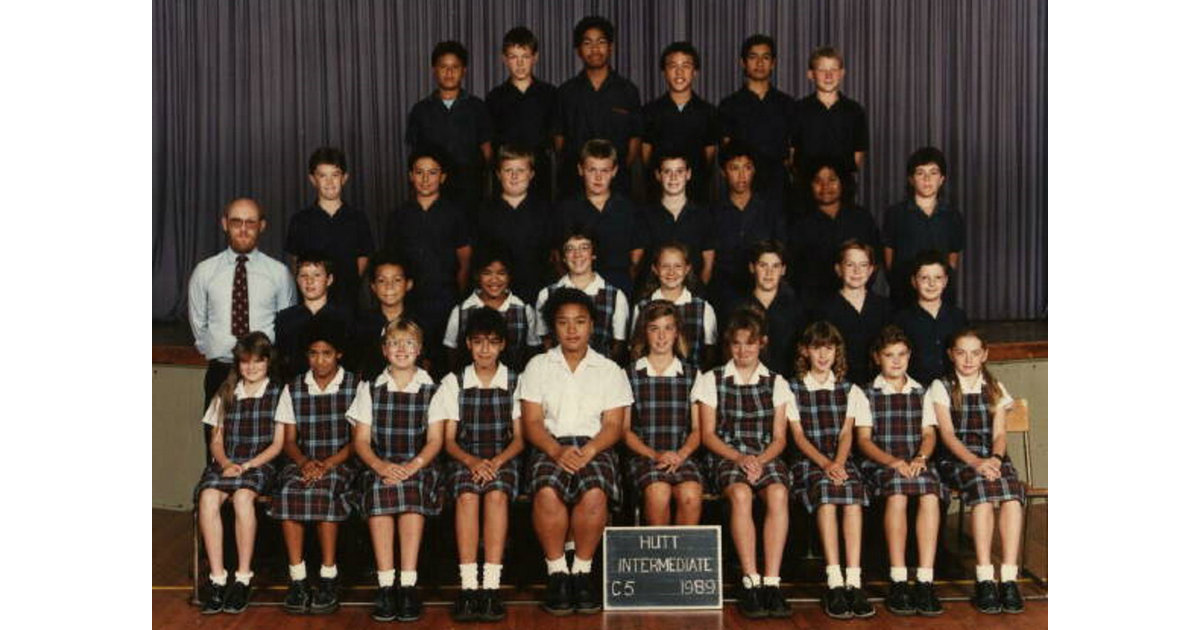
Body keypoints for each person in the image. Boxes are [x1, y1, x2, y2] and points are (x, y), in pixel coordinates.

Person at [520, 288, 633, 615]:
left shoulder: (609, 369)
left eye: (580, 322)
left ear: (592, 325)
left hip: (594, 445)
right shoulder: (538, 365)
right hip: (550, 445)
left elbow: (614, 424)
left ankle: (582, 572)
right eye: (563, 322)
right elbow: (532, 421)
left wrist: (590, 449)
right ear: (553, 327)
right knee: (546, 493)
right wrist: (556, 450)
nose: (572, 330)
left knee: (595, 493)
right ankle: (557, 572)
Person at [694, 307, 793, 619]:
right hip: (727, 454)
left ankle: (772, 582)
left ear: (761, 343)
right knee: (740, 494)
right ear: (728, 344)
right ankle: (750, 580)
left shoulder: (777, 382)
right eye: (737, 343)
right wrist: (740, 458)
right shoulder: (712, 380)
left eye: (750, 343)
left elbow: (780, 438)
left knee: (777, 493)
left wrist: (759, 460)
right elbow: (707, 435)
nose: (743, 350)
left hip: (765, 455)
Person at [348, 319, 444, 622]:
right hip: (381, 463)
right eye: (394, 343)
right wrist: (380, 466)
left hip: (419, 465)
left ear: (419, 349)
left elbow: (435, 440)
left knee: (411, 497)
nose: (402, 349)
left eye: (409, 343)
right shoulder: (370, 389)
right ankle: (386, 585)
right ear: (384, 350)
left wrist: (412, 466)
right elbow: (361, 441)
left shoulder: (433, 389)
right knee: (379, 493)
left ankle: (408, 584)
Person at [433, 308, 525, 622]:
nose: (485, 349)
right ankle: (470, 586)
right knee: (468, 496)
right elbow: (448, 441)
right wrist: (473, 462)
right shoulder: (453, 381)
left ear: (502, 345)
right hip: (465, 458)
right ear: (468, 345)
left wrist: (496, 462)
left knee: (497, 495)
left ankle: (492, 587)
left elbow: (521, 438)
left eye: (492, 342)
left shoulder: (516, 380)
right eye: (478, 342)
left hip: (503, 459)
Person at [930, 329, 1026, 615]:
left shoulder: (995, 386)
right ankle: (984, 578)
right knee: (983, 495)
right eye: (961, 352)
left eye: (975, 353)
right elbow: (947, 435)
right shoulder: (942, 386)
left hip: (991, 459)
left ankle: (1008, 579)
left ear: (985, 354)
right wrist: (976, 462)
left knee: (1011, 494)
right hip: (959, 460)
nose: (968, 359)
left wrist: (995, 458)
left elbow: (999, 433)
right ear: (951, 355)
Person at [194, 332, 289, 615]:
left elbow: (278, 444)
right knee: (208, 498)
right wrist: (225, 464)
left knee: (243, 498)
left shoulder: (278, 393)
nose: (251, 368)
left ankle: (243, 578)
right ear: (238, 364)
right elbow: (216, 440)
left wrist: (248, 466)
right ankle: (218, 577)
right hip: (227, 462)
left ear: (267, 363)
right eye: (245, 362)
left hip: (259, 464)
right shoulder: (226, 392)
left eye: (257, 362)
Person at [854, 326, 946, 617]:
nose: (896, 361)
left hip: (914, 461)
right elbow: (864, 441)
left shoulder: (921, 391)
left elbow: (929, 434)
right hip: (882, 464)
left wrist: (921, 457)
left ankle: (924, 579)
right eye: (889, 355)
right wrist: (893, 462)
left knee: (930, 495)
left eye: (902, 354)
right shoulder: (866, 393)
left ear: (910, 356)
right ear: (877, 358)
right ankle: (898, 578)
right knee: (898, 496)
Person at [268, 322, 359, 615]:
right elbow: (290, 441)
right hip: (304, 462)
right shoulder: (293, 388)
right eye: (313, 353)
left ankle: (328, 574)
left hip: (342, 462)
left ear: (339, 354)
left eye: (327, 353)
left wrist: (328, 465)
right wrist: (305, 463)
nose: (320, 360)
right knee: (290, 492)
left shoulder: (356, 387)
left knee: (325, 491)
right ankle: (298, 578)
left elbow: (358, 441)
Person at [788, 321, 874, 620]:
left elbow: (847, 434)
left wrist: (838, 462)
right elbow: (798, 436)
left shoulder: (850, 390)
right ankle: (834, 580)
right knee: (826, 495)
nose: (823, 355)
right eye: (816, 348)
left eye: (828, 348)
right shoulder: (792, 388)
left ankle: (854, 580)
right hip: (809, 462)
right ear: (804, 351)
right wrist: (825, 465)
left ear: (837, 351)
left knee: (851, 497)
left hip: (841, 460)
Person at [188, 197, 296, 408]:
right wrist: (217, 349)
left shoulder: (279, 273)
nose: (243, 229)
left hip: (265, 372)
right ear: (225, 224)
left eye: (251, 223)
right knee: (216, 438)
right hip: (221, 370)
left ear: (262, 226)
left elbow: (287, 325)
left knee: (267, 438)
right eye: (237, 222)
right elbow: (198, 322)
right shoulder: (205, 271)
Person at [384, 149, 473, 376]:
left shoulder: (456, 214)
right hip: (410, 302)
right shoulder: (399, 216)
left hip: (446, 299)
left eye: (432, 173)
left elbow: (465, 262)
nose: (425, 179)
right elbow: (391, 264)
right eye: (419, 173)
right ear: (410, 176)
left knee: (446, 361)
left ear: (442, 177)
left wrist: (457, 296)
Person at [623, 300, 704, 525]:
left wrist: (682, 454)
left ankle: (683, 559)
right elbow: (625, 431)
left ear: (677, 333)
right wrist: (655, 455)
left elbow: (698, 430)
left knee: (690, 495)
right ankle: (659, 558)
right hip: (645, 457)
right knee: (658, 493)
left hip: (681, 456)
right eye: (654, 329)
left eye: (668, 328)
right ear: (644, 333)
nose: (661, 336)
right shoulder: (629, 374)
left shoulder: (692, 374)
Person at [553, 15, 643, 198]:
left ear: (611, 47)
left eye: (601, 42)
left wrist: (616, 172)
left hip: (618, 187)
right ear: (578, 50)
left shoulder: (628, 91)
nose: (595, 49)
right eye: (587, 43)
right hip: (573, 186)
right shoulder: (565, 92)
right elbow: (559, 141)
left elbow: (634, 140)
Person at [407, 41, 492, 215]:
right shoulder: (420, 110)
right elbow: (415, 156)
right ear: (434, 70)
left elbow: (487, 151)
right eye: (443, 67)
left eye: (455, 67)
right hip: (432, 191)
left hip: (470, 192)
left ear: (464, 71)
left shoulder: (477, 107)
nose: (449, 73)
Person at [284, 147, 375, 311]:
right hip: (312, 308)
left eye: (335, 175)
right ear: (312, 179)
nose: (329, 182)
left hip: (348, 305)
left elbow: (361, 264)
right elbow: (296, 264)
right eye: (322, 176)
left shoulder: (358, 219)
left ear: (344, 178)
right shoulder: (300, 220)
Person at [554, 138, 645, 297]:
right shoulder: (566, 209)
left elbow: (636, 256)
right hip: (577, 288)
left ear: (614, 171)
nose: (598, 177)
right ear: (580, 169)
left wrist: (624, 288)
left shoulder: (628, 208)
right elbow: (556, 255)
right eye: (592, 170)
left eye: (604, 171)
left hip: (619, 286)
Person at [788, 158, 881, 308]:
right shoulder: (799, 223)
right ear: (809, 185)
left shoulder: (861, 217)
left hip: (856, 299)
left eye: (832, 180)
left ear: (843, 182)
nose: (825, 186)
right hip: (813, 304)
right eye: (818, 181)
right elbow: (793, 270)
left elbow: (875, 260)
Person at [707, 143, 787, 317]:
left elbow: (780, 253)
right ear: (723, 172)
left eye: (747, 168)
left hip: (763, 290)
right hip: (723, 294)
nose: (741, 175)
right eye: (734, 168)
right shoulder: (712, 213)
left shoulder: (770, 211)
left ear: (754, 170)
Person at [718, 34, 796, 208]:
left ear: (773, 63)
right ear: (743, 62)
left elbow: (793, 150)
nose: (759, 63)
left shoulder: (787, 104)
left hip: (780, 188)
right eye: (753, 57)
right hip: (742, 187)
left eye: (765, 57)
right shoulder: (729, 105)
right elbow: (727, 150)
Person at [883, 147, 964, 309]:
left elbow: (953, 259)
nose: (927, 179)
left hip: (940, 295)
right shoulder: (895, 214)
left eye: (933, 173)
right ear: (911, 179)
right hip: (903, 294)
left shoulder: (953, 216)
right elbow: (888, 259)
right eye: (920, 173)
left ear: (942, 179)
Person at [534, 228, 630, 360]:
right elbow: (546, 340)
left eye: (584, 247)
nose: (577, 254)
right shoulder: (546, 295)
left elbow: (618, 345)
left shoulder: (616, 296)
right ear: (563, 257)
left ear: (593, 254)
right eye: (570, 248)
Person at [641, 42, 720, 203]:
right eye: (673, 66)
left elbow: (709, 160)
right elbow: (646, 158)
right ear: (664, 72)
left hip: (697, 195)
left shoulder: (708, 112)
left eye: (686, 65)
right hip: (659, 196)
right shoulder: (650, 111)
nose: (679, 72)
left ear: (695, 72)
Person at [486, 27, 557, 203]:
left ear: (535, 58)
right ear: (504, 59)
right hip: (507, 174)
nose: (520, 63)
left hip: (540, 171)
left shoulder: (550, 94)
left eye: (525, 57)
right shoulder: (494, 97)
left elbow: (556, 138)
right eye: (513, 57)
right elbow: (489, 143)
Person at [477, 145, 555, 304]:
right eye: (508, 171)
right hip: (496, 293)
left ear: (531, 174)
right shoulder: (484, 212)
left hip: (536, 291)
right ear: (498, 174)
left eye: (520, 171)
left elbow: (552, 258)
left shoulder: (545, 211)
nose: (514, 176)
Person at [443, 247, 539, 371]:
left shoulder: (524, 310)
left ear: (509, 275)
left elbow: (533, 354)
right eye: (487, 273)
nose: (494, 280)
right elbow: (453, 356)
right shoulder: (461, 311)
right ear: (477, 275)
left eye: (501, 273)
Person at [812, 240, 891, 385]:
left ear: (871, 270)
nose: (857, 271)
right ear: (838, 269)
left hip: (878, 385)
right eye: (850, 265)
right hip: (838, 384)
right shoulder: (824, 309)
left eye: (863, 265)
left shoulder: (884, 307)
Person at [632, 242, 717, 368]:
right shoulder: (641, 307)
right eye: (665, 266)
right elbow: (636, 349)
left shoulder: (703, 309)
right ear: (655, 269)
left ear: (687, 269)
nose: (671, 272)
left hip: (692, 383)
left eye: (677, 266)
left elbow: (710, 353)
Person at [892, 251, 969, 385]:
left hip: (952, 389)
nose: (931, 284)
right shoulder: (901, 320)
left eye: (938, 278)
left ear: (945, 281)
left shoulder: (958, 316)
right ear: (914, 282)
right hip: (916, 390)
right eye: (924, 278)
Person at [731, 240, 805, 377]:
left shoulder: (796, 308)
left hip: (787, 383)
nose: (769, 273)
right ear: (752, 267)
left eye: (775, 266)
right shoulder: (738, 308)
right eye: (763, 265)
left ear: (783, 270)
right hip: (747, 383)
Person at [274, 253, 353, 380]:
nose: (309, 281)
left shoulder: (344, 317)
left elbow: (351, 361)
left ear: (329, 279)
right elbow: (280, 363)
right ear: (297, 279)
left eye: (317, 275)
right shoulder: (285, 318)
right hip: (295, 390)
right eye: (304, 275)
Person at [792, 47, 869, 175]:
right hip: (805, 186)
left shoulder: (854, 111)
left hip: (842, 186)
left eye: (833, 69)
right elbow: (791, 153)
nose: (828, 75)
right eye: (822, 70)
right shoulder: (797, 110)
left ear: (842, 73)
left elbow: (858, 154)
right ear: (811, 74)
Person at [639, 154, 715, 281]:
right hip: (654, 293)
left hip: (693, 293)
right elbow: (637, 264)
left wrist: (697, 296)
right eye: (667, 171)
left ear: (688, 174)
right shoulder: (644, 215)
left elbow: (708, 266)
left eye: (679, 171)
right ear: (658, 175)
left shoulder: (704, 216)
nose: (673, 177)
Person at [353, 253, 415, 381]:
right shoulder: (361, 323)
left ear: (408, 284)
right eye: (382, 280)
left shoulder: (418, 323)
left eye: (397, 280)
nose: (389, 286)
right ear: (373, 287)